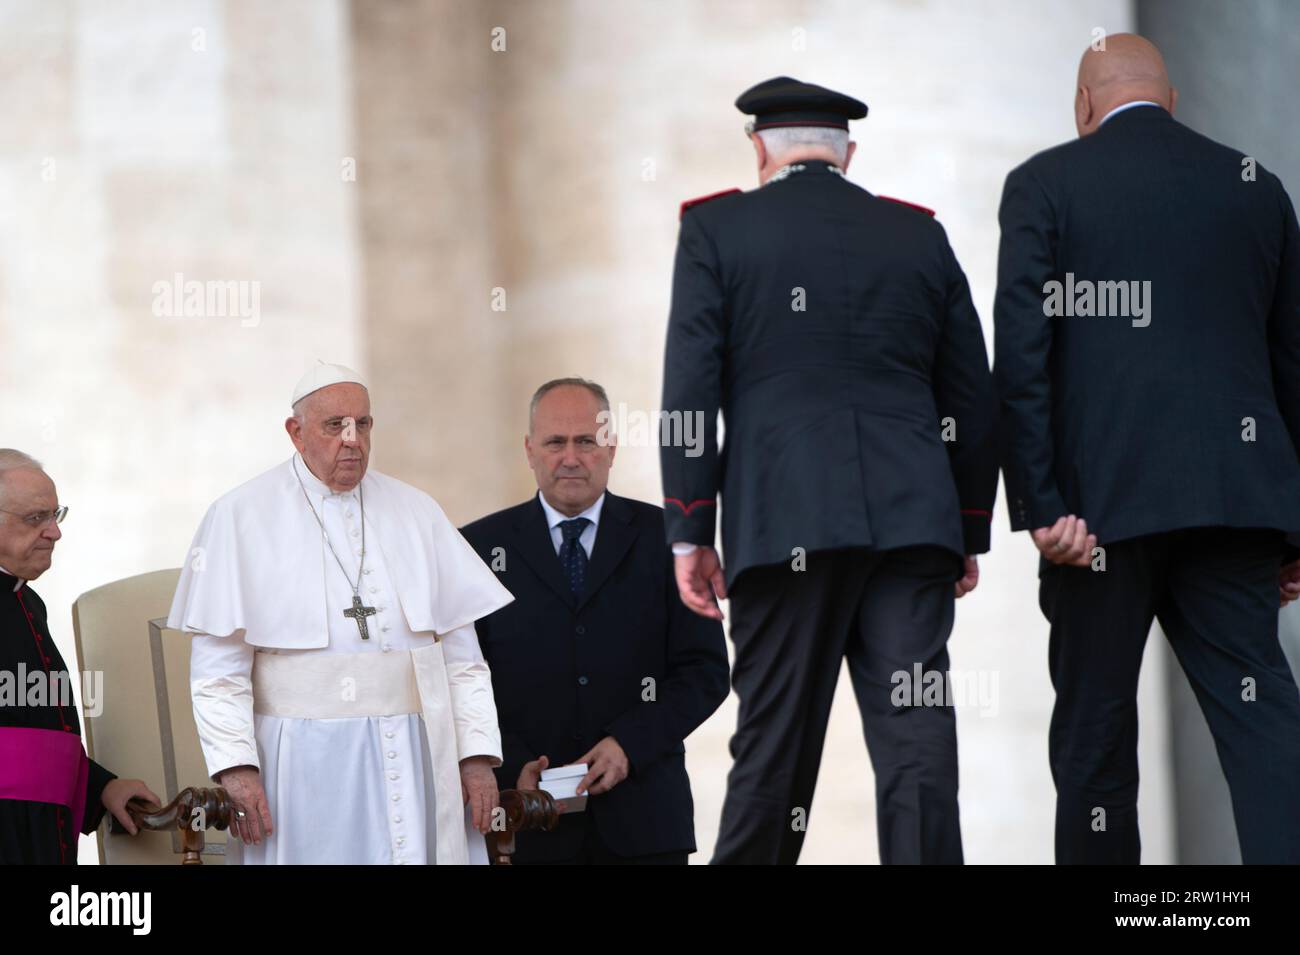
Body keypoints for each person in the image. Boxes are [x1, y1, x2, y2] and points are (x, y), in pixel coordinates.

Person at [661, 77, 998, 864]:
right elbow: (974, 399)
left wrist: (689, 529)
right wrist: (967, 527)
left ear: (759, 150)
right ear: (849, 153)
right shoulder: (919, 235)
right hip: (913, 525)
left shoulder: (717, 229)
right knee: (918, 747)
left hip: (784, 524)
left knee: (773, 751)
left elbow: (688, 391)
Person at [993, 33, 1300, 863]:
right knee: (1265, 724)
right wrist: (1292, 529)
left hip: (1097, 519)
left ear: (1084, 107)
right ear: (1172, 103)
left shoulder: (1044, 184)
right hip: (1232, 509)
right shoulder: (1256, 188)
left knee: (1095, 742)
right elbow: (1292, 363)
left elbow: (1021, 357)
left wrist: (1043, 506)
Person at [167, 363, 513, 864]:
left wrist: (477, 757)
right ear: (296, 432)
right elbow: (218, 674)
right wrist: (237, 769)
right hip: (302, 764)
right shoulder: (240, 515)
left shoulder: (416, 511)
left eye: (363, 425)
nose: (352, 440)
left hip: (417, 754)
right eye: (335, 426)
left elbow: (463, 661)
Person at [461, 378, 729, 864]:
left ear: (611, 447)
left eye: (586, 441)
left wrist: (630, 743)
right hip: (529, 828)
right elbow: (461, 680)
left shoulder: (671, 542)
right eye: (554, 442)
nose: (570, 457)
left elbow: (706, 672)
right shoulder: (476, 550)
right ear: (529, 450)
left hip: (647, 826)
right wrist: (514, 764)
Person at [0, 449, 159, 864]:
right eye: (36, 518)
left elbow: (34, 734)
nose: (54, 532)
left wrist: (101, 787)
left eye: (56, 515)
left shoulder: (26, 602)